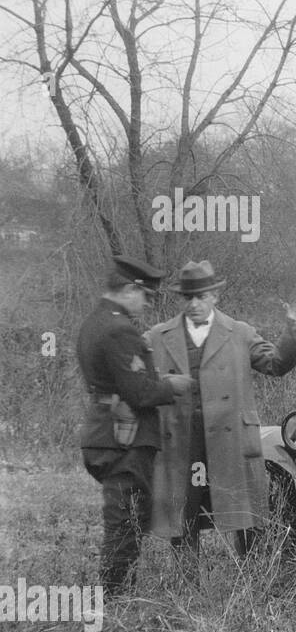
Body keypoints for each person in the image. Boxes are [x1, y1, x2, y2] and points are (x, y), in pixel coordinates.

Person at [148, 260, 296, 559]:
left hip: (230, 439)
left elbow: (276, 363)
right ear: (180, 300)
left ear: (215, 296)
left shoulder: (239, 333)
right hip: (182, 441)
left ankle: (251, 580)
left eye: (201, 296)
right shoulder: (157, 336)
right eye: (188, 297)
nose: (194, 304)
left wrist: (294, 329)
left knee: (243, 514)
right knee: (184, 517)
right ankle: (187, 589)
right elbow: (135, 378)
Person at [76, 255, 194, 595]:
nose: (145, 304)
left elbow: (116, 382)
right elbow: (140, 393)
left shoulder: (95, 321)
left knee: (123, 521)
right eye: (144, 296)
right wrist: (173, 385)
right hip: (124, 439)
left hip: (105, 431)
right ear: (129, 289)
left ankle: (115, 597)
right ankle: (115, 602)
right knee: (125, 525)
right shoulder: (120, 329)